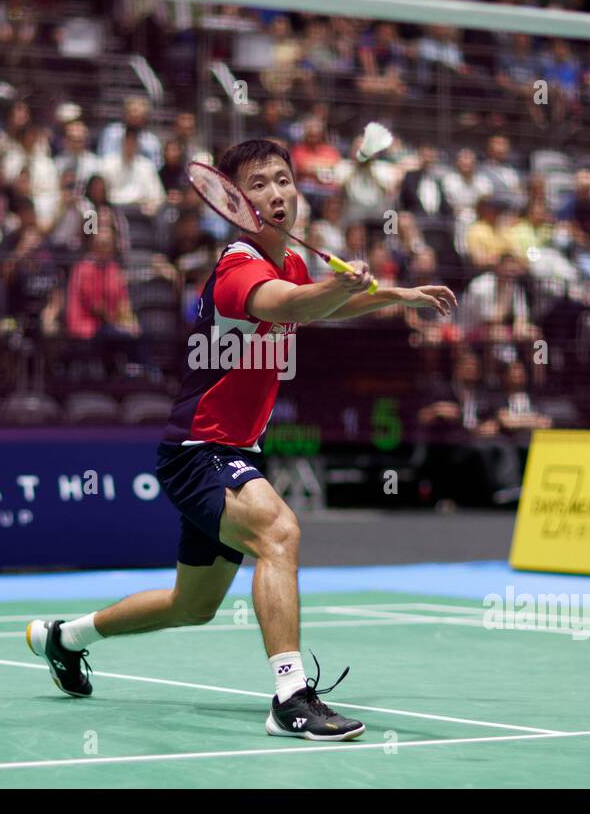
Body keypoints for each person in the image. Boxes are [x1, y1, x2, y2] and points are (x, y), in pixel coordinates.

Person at [24, 138, 457, 741]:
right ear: (233, 203)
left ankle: (63, 638)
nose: (276, 193)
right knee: (280, 532)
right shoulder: (237, 268)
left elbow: (322, 308)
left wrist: (396, 295)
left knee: (191, 605)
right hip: (199, 452)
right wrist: (338, 288)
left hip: (234, 451)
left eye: (284, 180)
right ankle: (291, 697)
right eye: (258, 185)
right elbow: (294, 306)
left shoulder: (294, 263)